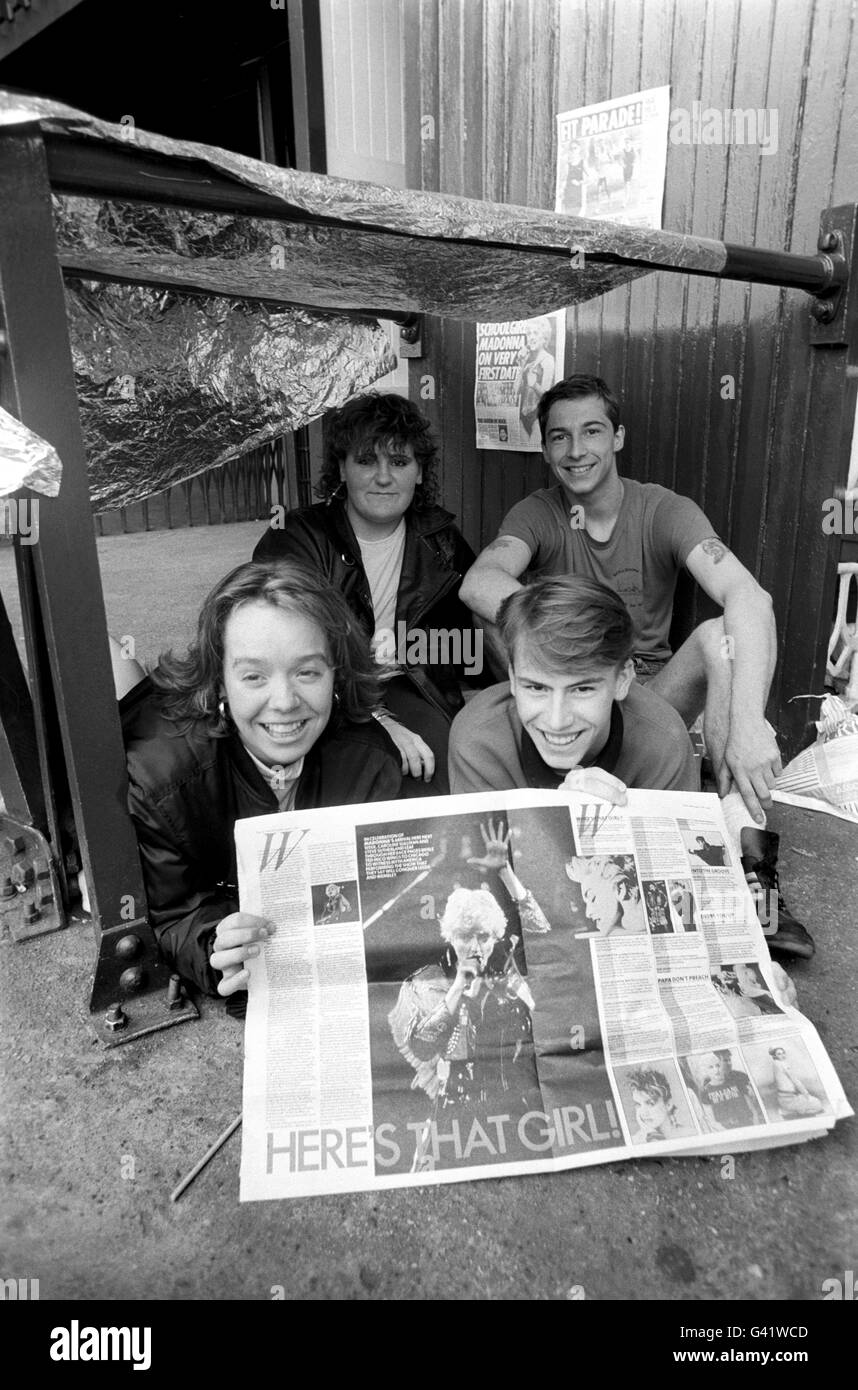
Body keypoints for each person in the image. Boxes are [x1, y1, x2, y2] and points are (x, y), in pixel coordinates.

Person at [459, 373, 812, 960]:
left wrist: (750, 722)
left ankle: (752, 866)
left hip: (647, 694)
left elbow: (750, 597)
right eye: (559, 436)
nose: (576, 450)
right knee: (493, 616)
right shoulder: (537, 513)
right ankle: (547, 755)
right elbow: (479, 583)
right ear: (544, 447)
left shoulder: (662, 510)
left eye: (592, 431)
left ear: (618, 437)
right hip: (570, 693)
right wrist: (566, 630)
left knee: (720, 639)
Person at [118, 560, 401, 998]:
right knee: (111, 666)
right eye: (254, 676)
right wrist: (213, 947)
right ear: (219, 682)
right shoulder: (163, 781)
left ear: (336, 673)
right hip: (149, 723)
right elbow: (173, 913)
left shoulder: (371, 762)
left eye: (307, 672)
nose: (284, 702)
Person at [253, 392, 486, 794]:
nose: (383, 477)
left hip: (408, 682)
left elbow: (465, 640)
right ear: (341, 469)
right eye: (365, 461)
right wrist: (376, 719)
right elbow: (284, 652)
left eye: (399, 462)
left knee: (439, 772)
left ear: (419, 472)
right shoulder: (297, 538)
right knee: (352, 776)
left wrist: (483, 698)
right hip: (321, 689)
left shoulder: (441, 540)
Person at [449, 574, 699, 797]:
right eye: (536, 688)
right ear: (512, 679)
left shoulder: (664, 741)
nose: (557, 722)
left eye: (582, 689)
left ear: (622, 680)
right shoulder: (479, 740)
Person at [388, 838, 544, 1170]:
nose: (474, 947)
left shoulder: (506, 970)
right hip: (454, 1112)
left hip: (515, 1106)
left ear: (495, 937)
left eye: (483, 937)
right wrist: (459, 987)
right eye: (464, 936)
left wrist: (505, 873)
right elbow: (422, 1046)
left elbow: (545, 935)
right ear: (450, 936)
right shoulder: (428, 981)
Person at [684, 1050, 764, 1132]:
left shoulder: (736, 1081)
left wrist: (756, 1127)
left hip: (748, 1125)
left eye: (718, 1065)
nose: (716, 1070)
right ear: (705, 1070)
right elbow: (712, 1121)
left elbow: (752, 1110)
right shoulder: (705, 1091)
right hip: (727, 1130)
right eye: (711, 1067)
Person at [566, 855, 646, 936]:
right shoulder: (632, 921)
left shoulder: (637, 920)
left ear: (621, 889)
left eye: (592, 898)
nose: (588, 913)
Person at [514, 318, 556, 446]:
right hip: (522, 416)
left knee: (537, 452)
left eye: (535, 333)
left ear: (544, 338)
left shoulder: (548, 360)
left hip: (537, 416)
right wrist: (521, 366)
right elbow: (515, 391)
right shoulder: (527, 361)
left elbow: (548, 397)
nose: (531, 337)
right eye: (529, 334)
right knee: (522, 454)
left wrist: (534, 385)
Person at [627, 1067, 695, 1143]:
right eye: (638, 1105)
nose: (643, 1112)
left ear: (668, 1104)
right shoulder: (634, 1141)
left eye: (651, 1103)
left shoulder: (691, 1134)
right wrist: (650, 1132)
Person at [768, 1047, 825, 1119]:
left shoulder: (775, 1064)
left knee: (811, 1102)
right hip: (788, 1099)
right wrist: (806, 1094)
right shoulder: (783, 1064)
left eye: (783, 1053)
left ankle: (793, 1110)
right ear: (775, 1056)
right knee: (817, 1104)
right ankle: (795, 1111)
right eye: (779, 1054)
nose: (782, 1055)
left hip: (782, 1098)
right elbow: (795, 1080)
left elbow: (776, 1080)